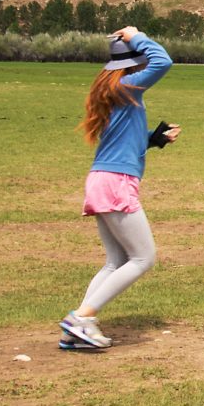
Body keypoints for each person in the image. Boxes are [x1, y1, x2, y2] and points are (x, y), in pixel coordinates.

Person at [61, 27, 177, 349]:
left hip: (102, 179)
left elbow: (121, 141)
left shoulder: (115, 90)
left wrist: (152, 140)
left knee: (115, 261)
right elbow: (163, 60)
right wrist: (136, 35)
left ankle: (79, 325)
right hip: (115, 183)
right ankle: (81, 319)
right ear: (134, 66)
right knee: (143, 258)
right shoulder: (126, 87)